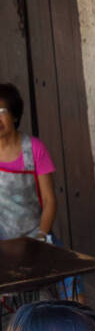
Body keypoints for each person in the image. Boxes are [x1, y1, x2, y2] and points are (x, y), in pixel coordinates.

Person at [0, 83, 57, 242]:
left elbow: (49, 200)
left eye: (2, 112)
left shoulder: (34, 149)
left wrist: (41, 236)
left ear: (15, 115)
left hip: (34, 235)